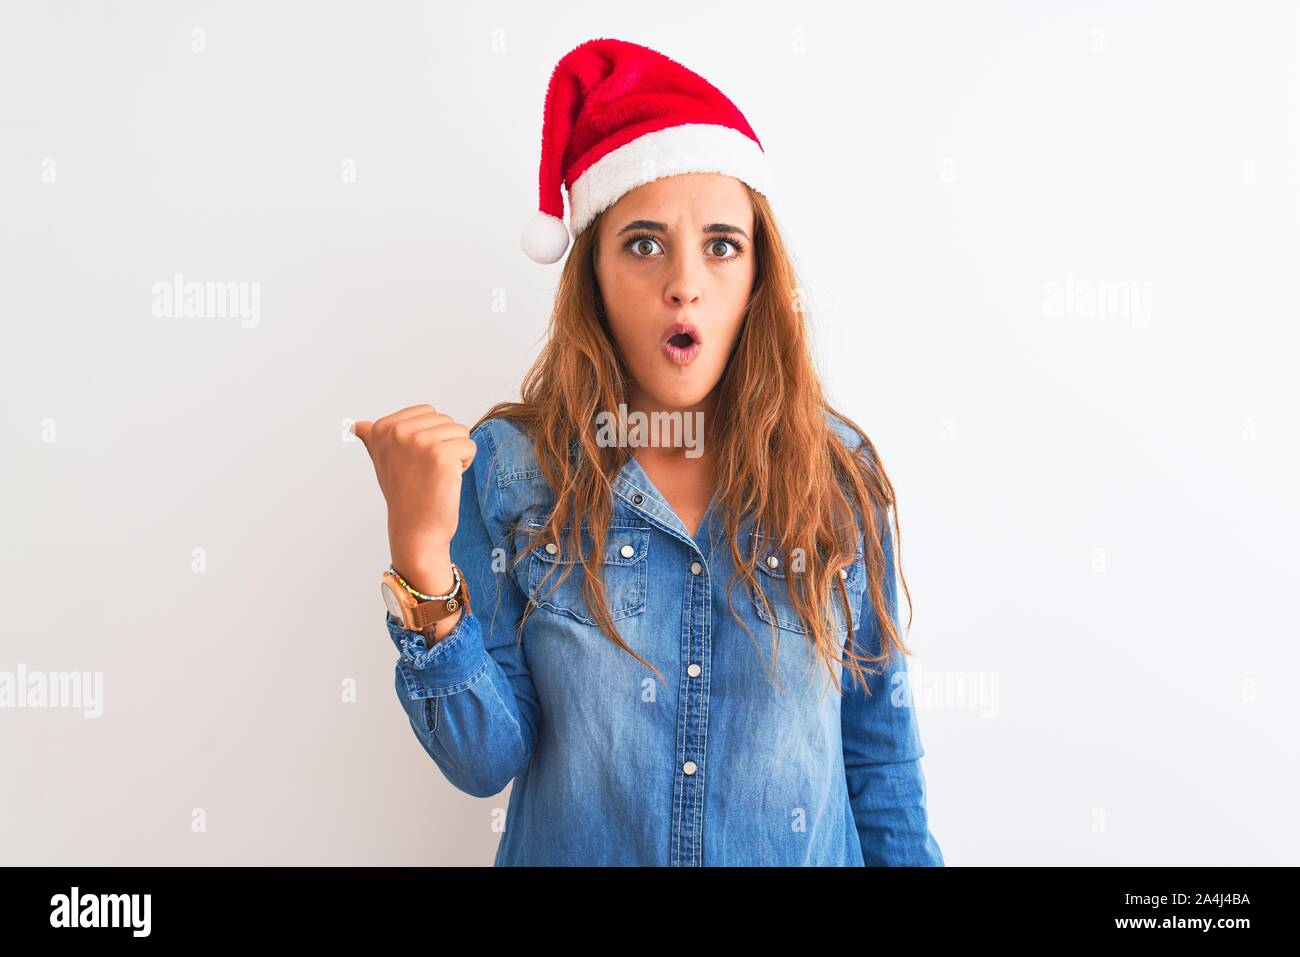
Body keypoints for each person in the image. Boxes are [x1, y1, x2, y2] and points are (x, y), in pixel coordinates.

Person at [353, 37, 944, 867]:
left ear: (758, 277)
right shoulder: (510, 468)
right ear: (591, 270)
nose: (684, 282)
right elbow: (484, 760)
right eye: (642, 242)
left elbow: (878, 761)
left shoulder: (837, 474)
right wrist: (420, 560)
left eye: (721, 244)